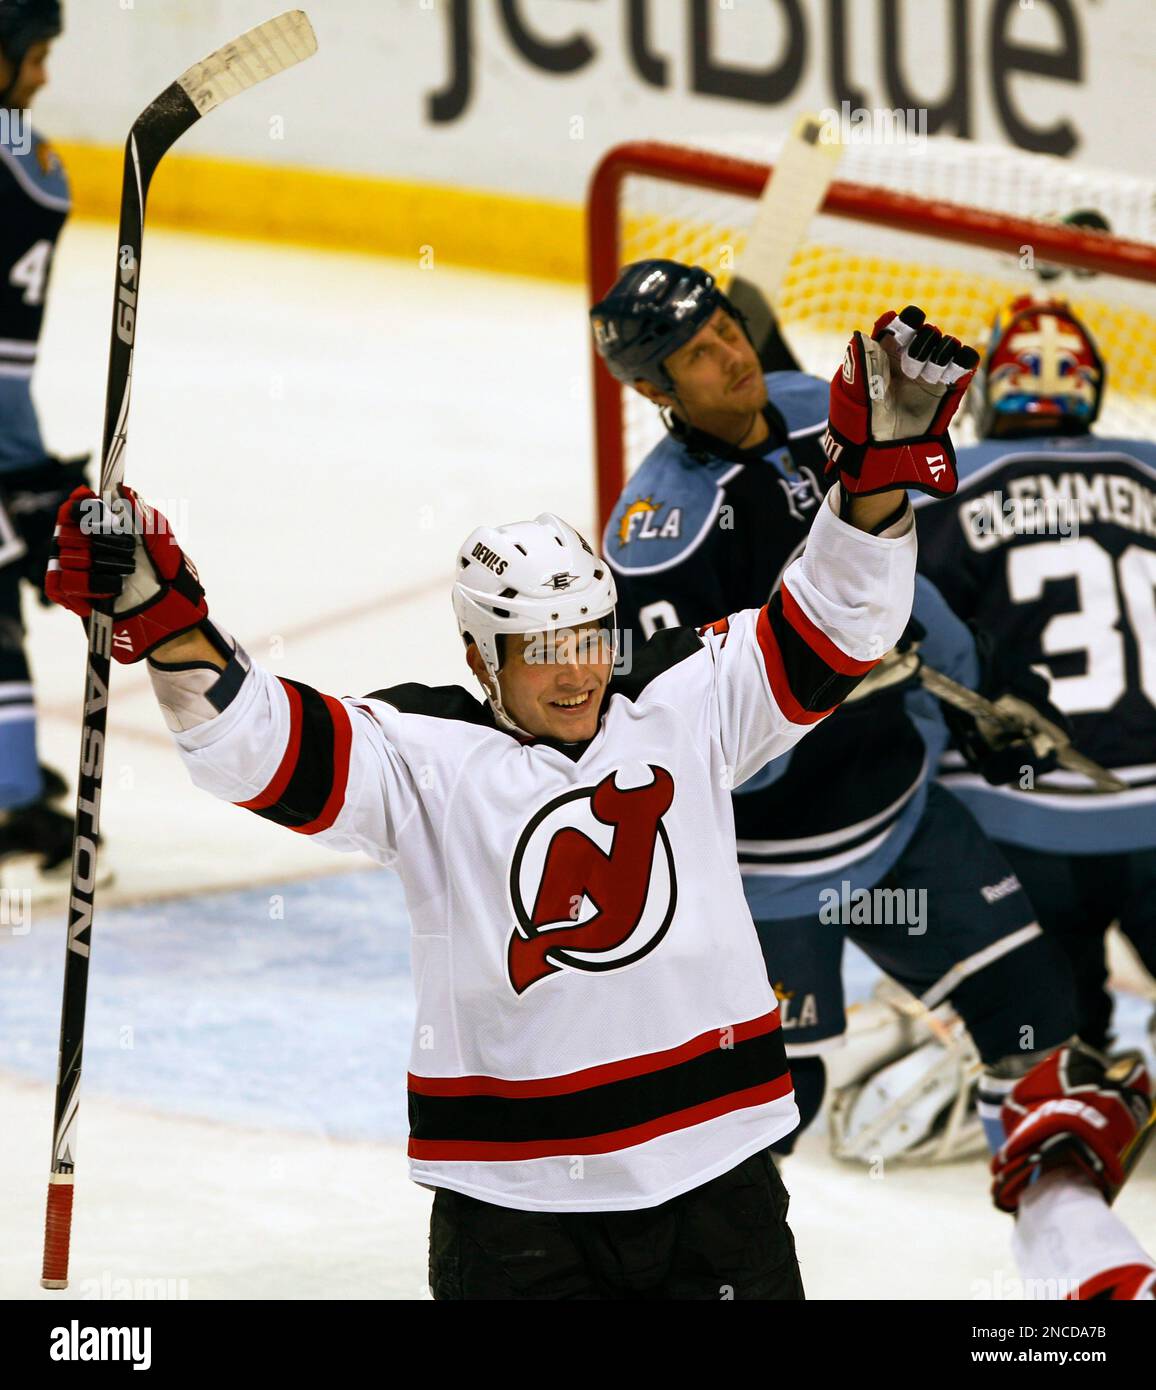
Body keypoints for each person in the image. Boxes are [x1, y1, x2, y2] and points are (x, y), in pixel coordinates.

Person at [43, 302, 930, 1299]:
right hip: (517, 1209)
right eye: (540, 649)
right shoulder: (428, 759)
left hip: (717, 1182)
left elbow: (835, 621)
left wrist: (876, 485)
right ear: (478, 656)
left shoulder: (681, 712)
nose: (574, 672)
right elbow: (256, 742)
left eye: (588, 636)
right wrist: (164, 614)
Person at [591, 260, 1153, 1298]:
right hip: (766, 871)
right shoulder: (656, 539)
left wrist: (982, 695)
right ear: (654, 392)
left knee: (1036, 1025)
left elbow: (916, 577)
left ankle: (1081, 1271)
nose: (729, 358)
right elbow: (690, 740)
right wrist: (819, 687)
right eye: (697, 355)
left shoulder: (814, 409)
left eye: (726, 329)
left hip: (900, 818)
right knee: (763, 1107)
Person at [915, 293, 1156, 1298]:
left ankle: (1073, 1258)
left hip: (1020, 824)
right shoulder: (1148, 465)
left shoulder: (948, 488)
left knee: (1043, 1067)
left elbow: (905, 653)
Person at [0, 0, 87, 873]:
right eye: (34, 55)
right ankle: (10, 788)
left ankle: (11, 783)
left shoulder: (21, 159)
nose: (43, 74)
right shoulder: (34, 162)